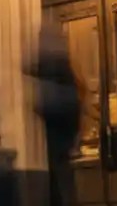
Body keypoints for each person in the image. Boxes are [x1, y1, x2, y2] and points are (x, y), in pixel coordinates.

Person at [29, 22, 83, 206]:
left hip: (57, 138)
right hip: (62, 138)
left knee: (59, 182)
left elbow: (56, 104)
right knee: (62, 181)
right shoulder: (64, 71)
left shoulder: (53, 67)